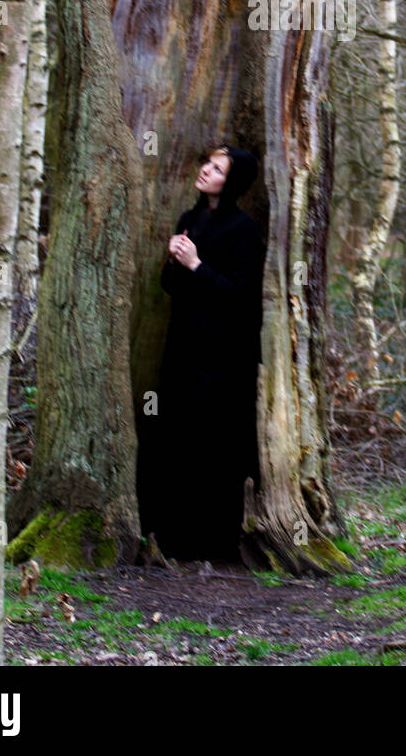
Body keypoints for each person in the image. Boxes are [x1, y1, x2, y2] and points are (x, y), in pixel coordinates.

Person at [143, 145, 264, 561]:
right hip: (183, 348)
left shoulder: (244, 230)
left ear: (231, 182)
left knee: (215, 445)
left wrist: (196, 265)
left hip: (223, 357)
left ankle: (215, 544)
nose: (206, 171)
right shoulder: (189, 219)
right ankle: (172, 538)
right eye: (208, 164)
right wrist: (175, 263)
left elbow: (240, 297)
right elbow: (170, 287)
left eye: (217, 169)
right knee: (174, 438)